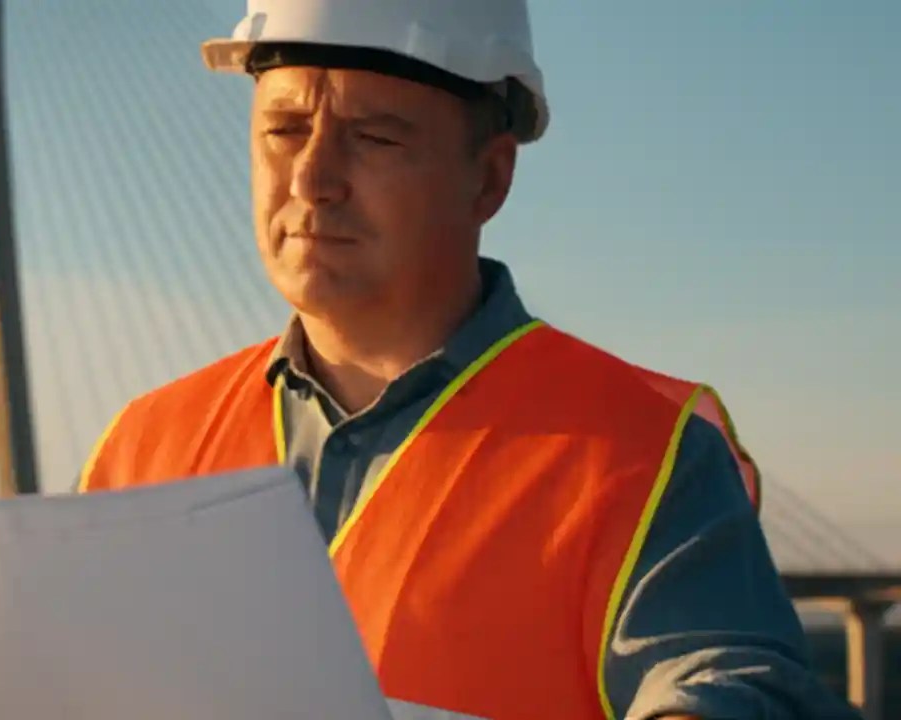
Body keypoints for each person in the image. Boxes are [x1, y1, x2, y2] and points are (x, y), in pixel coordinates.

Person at [76, 1, 862, 718]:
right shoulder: (143, 447)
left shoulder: (642, 456)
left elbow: (733, 684)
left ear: (488, 178)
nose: (311, 180)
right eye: (283, 130)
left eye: (374, 137)